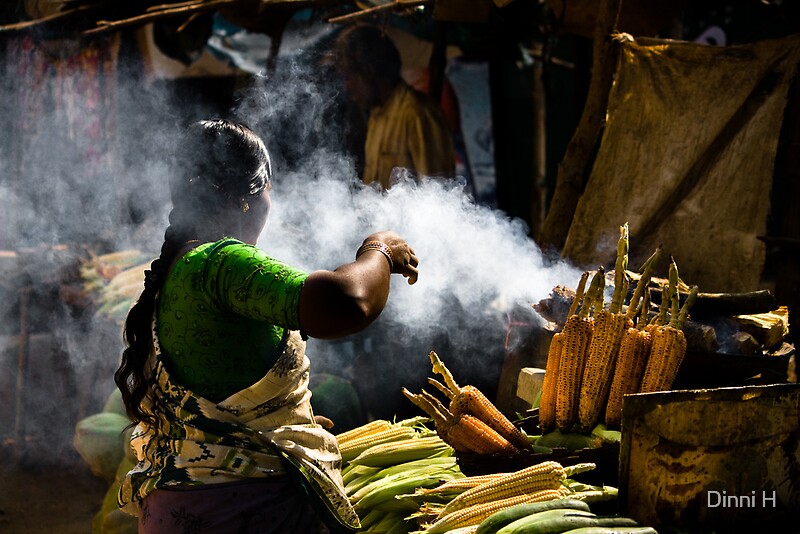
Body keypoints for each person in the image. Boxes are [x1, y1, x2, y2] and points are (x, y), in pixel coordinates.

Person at [114, 119, 418, 533]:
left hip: (182, 508)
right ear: (249, 199)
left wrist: (277, 422)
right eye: (271, 190)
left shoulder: (177, 268)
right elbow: (350, 301)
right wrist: (379, 248)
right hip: (241, 510)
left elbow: (215, 389)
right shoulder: (220, 263)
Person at [332, 24, 456, 189]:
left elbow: (438, 193)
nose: (347, 87)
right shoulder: (376, 116)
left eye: (349, 77)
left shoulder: (417, 114)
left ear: (368, 71)